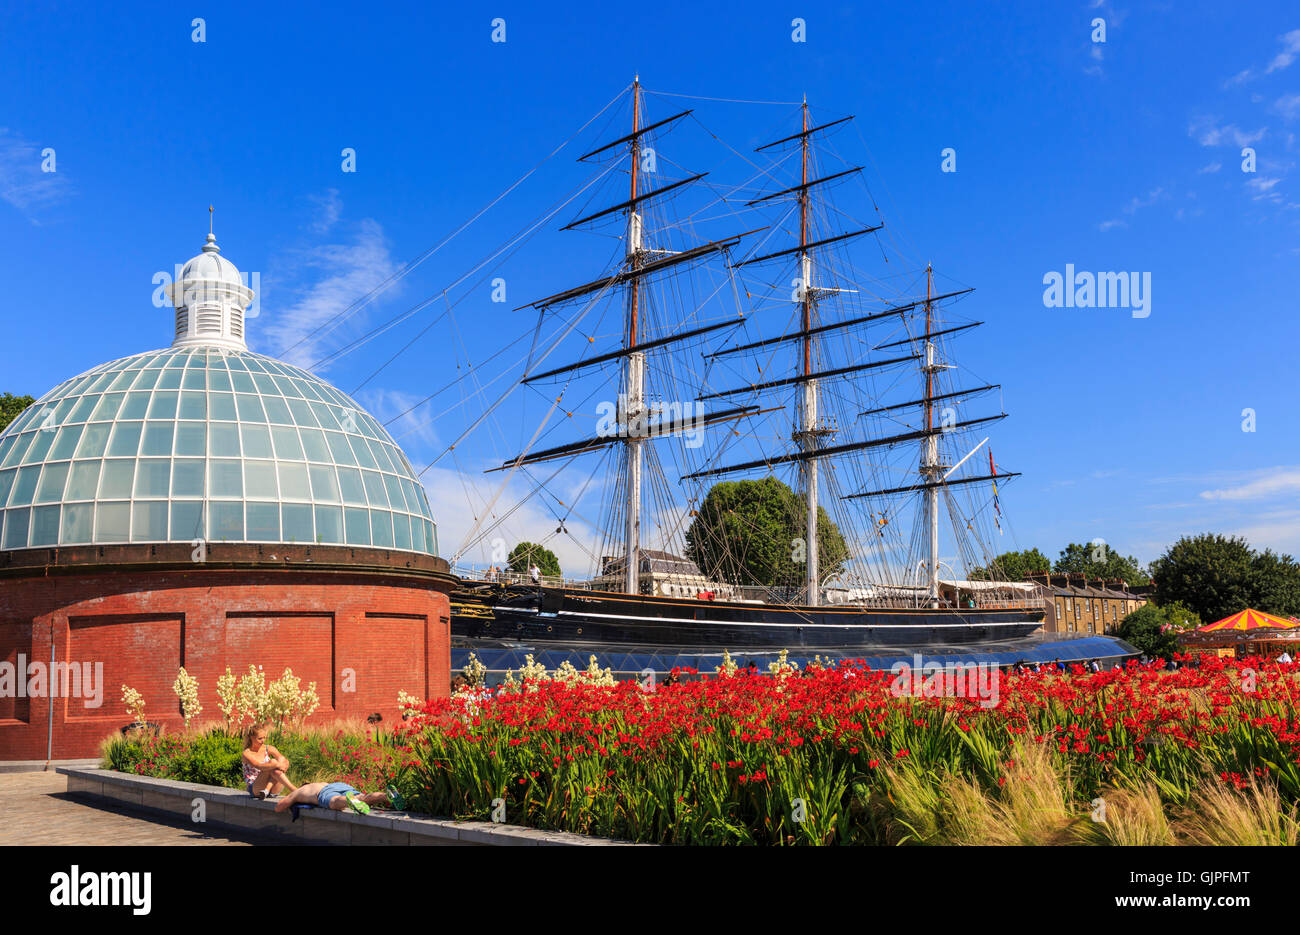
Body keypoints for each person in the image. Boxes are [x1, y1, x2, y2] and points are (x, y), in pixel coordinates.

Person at [274, 781, 401, 816]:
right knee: (363, 797)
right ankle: (387, 795)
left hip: (323, 792)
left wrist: (293, 799)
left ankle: (349, 801)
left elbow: (279, 807)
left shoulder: (298, 792)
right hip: (337, 784)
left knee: (335, 801)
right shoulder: (320, 782)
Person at [241, 722, 297, 799]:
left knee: (277, 766)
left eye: (265, 738)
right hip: (256, 788)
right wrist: (277, 764)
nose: (263, 741)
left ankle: (267, 790)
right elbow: (259, 766)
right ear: (251, 737)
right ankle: (295, 790)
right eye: (260, 738)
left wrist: (283, 764)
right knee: (273, 763)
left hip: (273, 789)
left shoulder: (268, 748)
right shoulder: (247, 753)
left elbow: (284, 760)